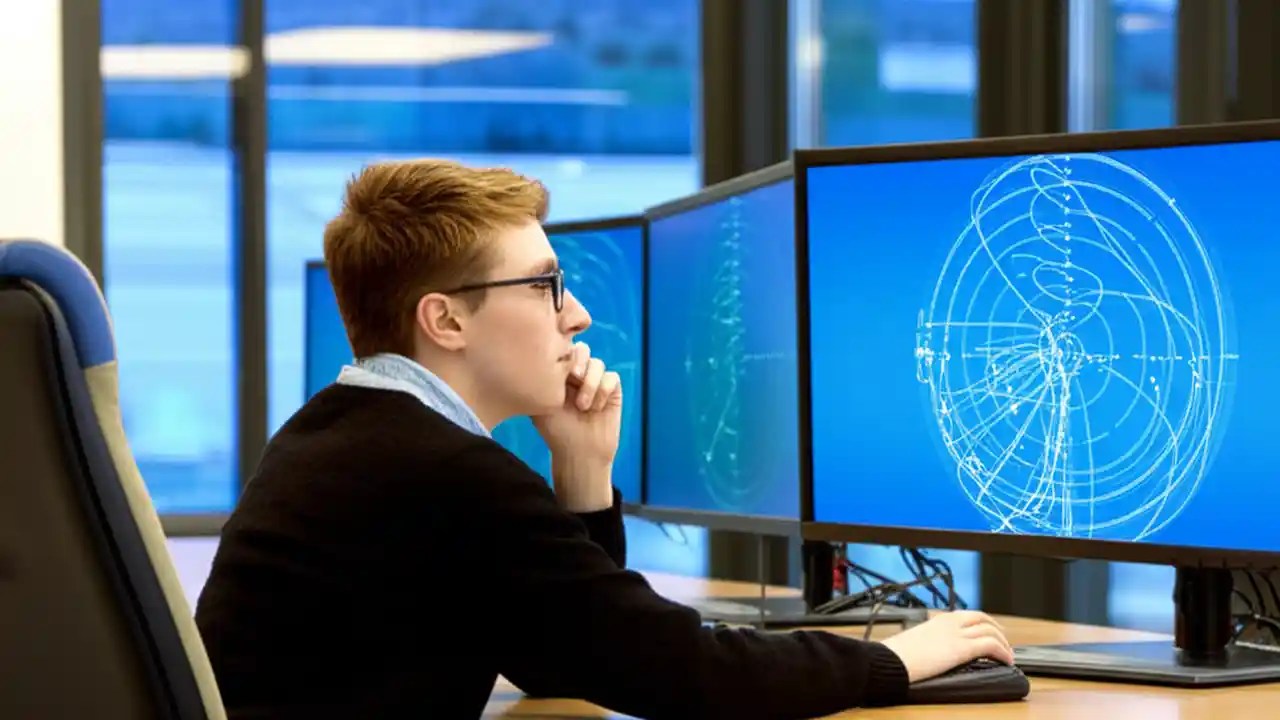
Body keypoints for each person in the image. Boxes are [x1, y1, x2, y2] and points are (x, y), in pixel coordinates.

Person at [193, 159, 1015, 719]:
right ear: (443, 320)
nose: (577, 314)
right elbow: (670, 671)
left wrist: (581, 466)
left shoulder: (344, 436)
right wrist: (896, 661)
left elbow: (560, 656)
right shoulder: (438, 470)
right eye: (545, 285)